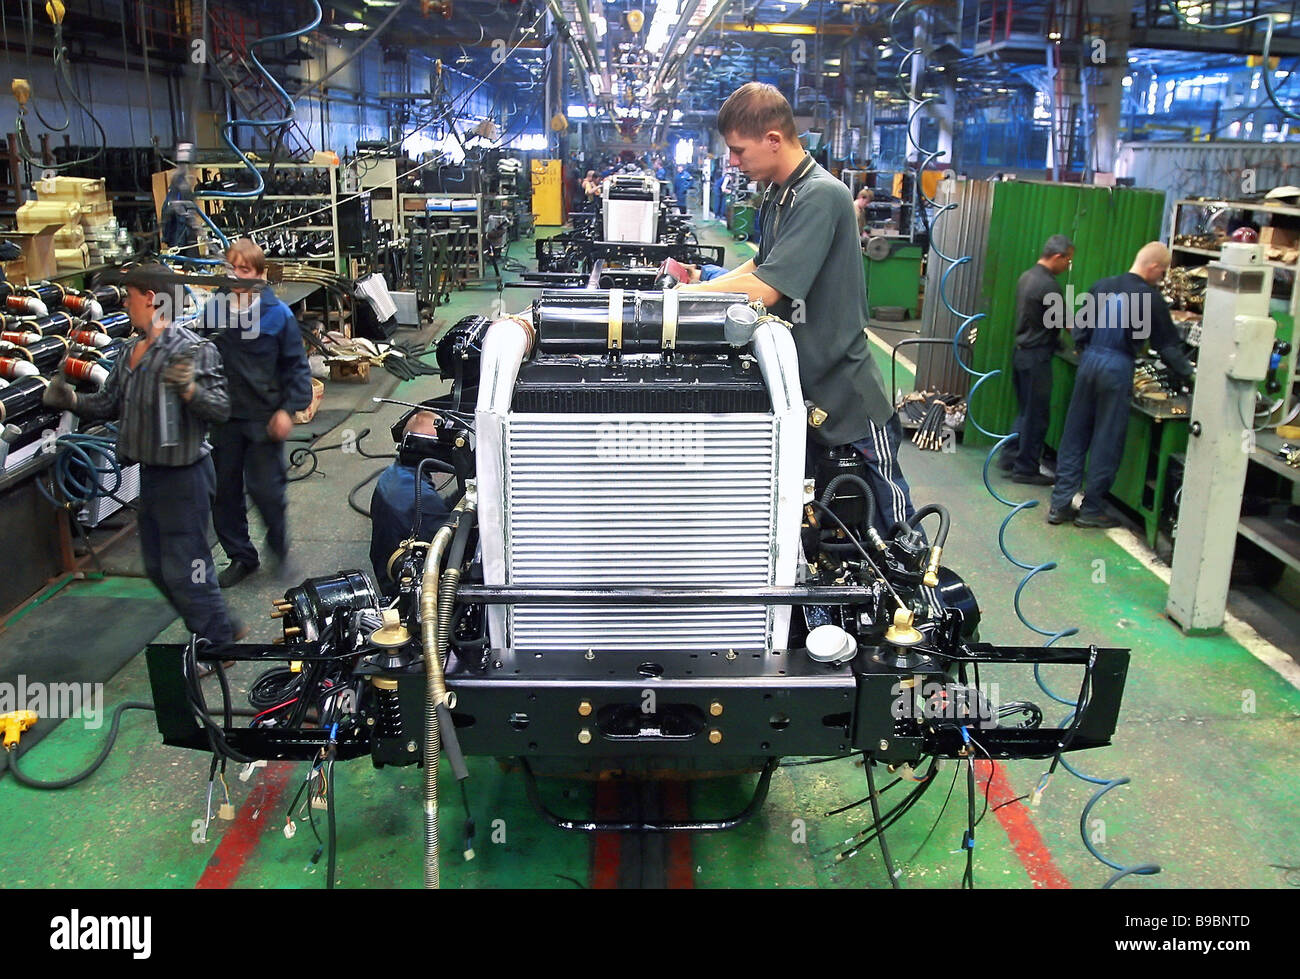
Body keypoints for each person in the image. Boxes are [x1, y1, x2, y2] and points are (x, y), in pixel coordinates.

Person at [680, 82, 914, 539]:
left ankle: (926, 603)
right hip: (805, 392)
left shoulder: (820, 195)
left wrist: (677, 303)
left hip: (847, 399)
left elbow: (767, 288)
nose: (732, 161)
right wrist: (695, 289)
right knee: (818, 522)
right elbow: (759, 264)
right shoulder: (778, 192)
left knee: (894, 528)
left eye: (737, 150)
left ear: (773, 139)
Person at [42, 263, 242, 645]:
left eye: (129, 297)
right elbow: (107, 403)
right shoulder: (131, 351)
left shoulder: (194, 350)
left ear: (151, 299)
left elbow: (220, 410)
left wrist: (189, 390)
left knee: (188, 567)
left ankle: (219, 640)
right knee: (157, 567)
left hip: (186, 476)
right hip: (153, 476)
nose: (125, 305)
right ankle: (222, 627)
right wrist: (70, 398)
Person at [1047, 242, 1195, 528]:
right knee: (1106, 439)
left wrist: (1086, 351)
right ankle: (1091, 511)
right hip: (1117, 368)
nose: (1161, 278)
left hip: (1089, 363)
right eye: (1162, 272)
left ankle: (1059, 506)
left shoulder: (1101, 286)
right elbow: (1168, 347)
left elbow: (1080, 330)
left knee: (1075, 434)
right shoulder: (1150, 299)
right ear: (1152, 267)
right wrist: (1189, 374)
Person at [199, 239, 313, 588]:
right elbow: (197, 351)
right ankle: (241, 557)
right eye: (232, 268)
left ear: (261, 275)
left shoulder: (277, 314)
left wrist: (288, 409)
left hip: (264, 418)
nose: (236, 276)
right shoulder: (216, 310)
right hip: (226, 417)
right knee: (225, 491)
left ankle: (279, 549)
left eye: (244, 270)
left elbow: (297, 367)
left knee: (266, 491)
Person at [1002, 234, 1074, 485]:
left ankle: (1011, 457)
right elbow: (1066, 322)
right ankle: (1026, 468)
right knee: (1036, 416)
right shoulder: (1047, 284)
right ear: (1057, 256)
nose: (1068, 266)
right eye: (1068, 260)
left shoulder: (1027, 277)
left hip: (1022, 353)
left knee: (1025, 411)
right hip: (1036, 358)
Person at [370, 411, 452, 594]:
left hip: (383, 566)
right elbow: (451, 545)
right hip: (402, 589)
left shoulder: (392, 474)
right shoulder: (423, 500)